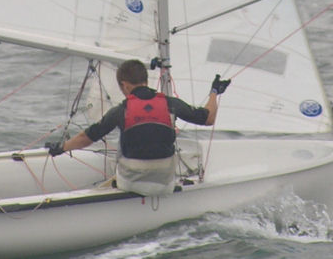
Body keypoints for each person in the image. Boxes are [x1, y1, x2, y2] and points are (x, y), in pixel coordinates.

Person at [47, 59, 230, 196]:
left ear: (124, 85)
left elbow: (87, 137)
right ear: (145, 80)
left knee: (123, 144)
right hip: (165, 183)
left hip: (131, 185)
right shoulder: (170, 104)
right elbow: (208, 118)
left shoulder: (121, 110)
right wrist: (214, 92)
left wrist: (62, 148)